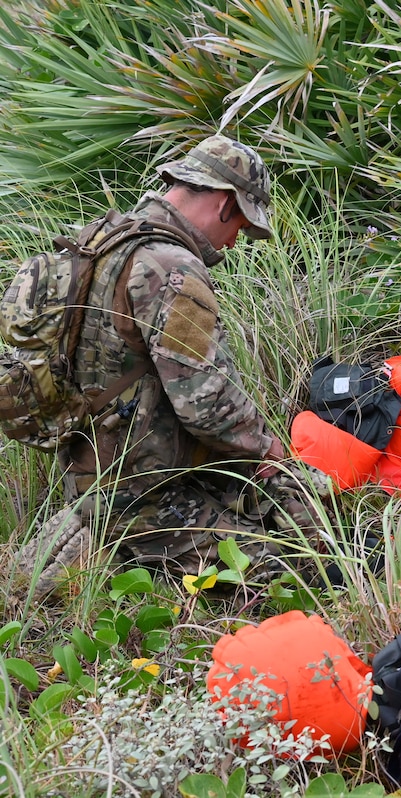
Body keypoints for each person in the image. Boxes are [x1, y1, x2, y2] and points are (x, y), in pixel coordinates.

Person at [20, 134, 325, 597]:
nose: (236, 240)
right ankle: (102, 543)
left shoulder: (101, 243)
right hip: (144, 491)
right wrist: (267, 449)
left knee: (274, 506)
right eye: (241, 225)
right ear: (225, 202)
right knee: (289, 576)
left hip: (96, 464)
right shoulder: (171, 267)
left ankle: (94, 523)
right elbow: (205, 404)